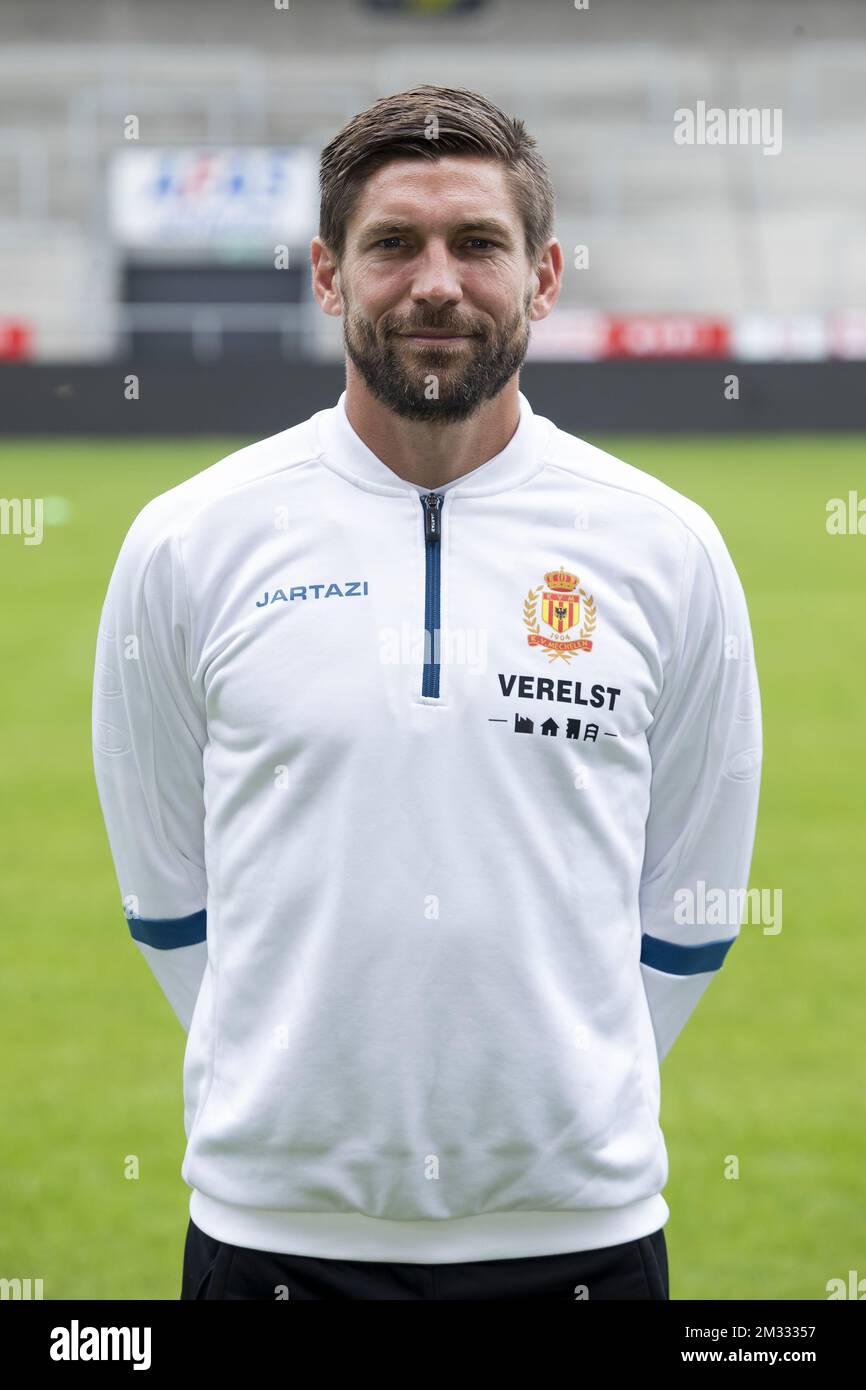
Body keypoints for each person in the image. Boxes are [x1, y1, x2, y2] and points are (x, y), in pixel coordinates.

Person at [91, 84, 762, 1301]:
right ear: (326, 275)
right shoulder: (190, 540)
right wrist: (298, 1088)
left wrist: (554, 1093)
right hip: (274, 1238)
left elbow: (696, 897)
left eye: (478, 244)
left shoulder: (664, 546)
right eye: (392, 243)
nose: (436, 283)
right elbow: (163, 889)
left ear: (543, 275)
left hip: (580, 1238)